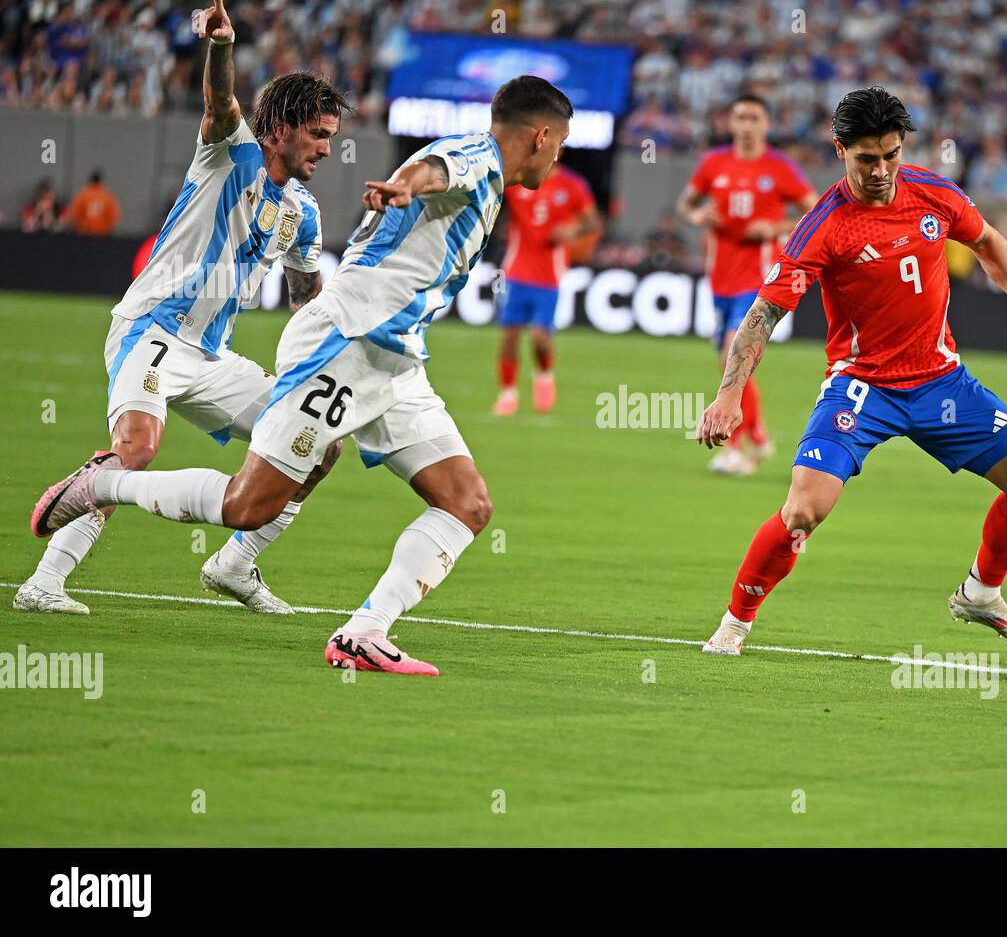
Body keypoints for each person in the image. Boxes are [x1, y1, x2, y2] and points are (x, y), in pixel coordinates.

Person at [32, 74, 574, 677]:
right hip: (344, 344)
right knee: (246, 505)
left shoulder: (309, 210)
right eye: (562, 144)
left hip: (392, 359)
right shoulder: (477, 156)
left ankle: (362, 632)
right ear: (543, 134)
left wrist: (311, 307)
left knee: (467, 504)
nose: (559, 157)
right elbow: (438, 169)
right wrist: (402, 185)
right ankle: (104, 487)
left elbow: (308, 281)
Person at [694, 86, 1007, 655]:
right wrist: (729, 397)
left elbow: (989, 242)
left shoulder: (934, 195)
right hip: (861, 390)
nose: (881, 170)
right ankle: (734, 624)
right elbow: (762, 316)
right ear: (840, 148)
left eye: (891, 155)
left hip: (942, 382)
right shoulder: (825, 226)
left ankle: (981, 593)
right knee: (802, 510)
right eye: (866, 159)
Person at [16, 0, 348, 617]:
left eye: (331, 137)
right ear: (279, 129)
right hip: (153, 331)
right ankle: (45, 583)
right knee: (137, 450)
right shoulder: (231, 153)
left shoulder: (303, 214)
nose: (326, 149)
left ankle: (235, 563)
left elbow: (308, 296)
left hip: (212, 355)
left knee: (318, 441)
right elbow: (220, 100)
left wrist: (319, 361)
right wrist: (222, 46)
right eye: (317, 134)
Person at [678, 94, 819, 476]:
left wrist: (777, 227)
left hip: (759, 281)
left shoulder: (779, 168)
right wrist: (696, 215)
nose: (746, 124)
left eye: (754, 118)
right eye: (740, 117)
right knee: (729, 361)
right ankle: (759, 437)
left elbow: (817, 209)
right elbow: (686, 204)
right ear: (731, 122)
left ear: (766, 125)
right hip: (719, 277)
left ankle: (734, 447)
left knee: (732, 355)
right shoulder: (714, 163)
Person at [492, 159, 601, 416]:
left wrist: (573, 231)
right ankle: (507, 394)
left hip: (549, 275)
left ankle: (544, 375)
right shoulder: (519, 177)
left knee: (541, 337)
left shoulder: (572, 185)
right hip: (515, 271)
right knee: (510, 335)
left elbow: (592, 220)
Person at [62, 170, 121, 236]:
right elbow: (113, 215)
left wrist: (79, 227)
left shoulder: (83, 195)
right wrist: (108, 228)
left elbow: (75, 213)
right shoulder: (107, 196)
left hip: (85, 233)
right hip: (102, 233)